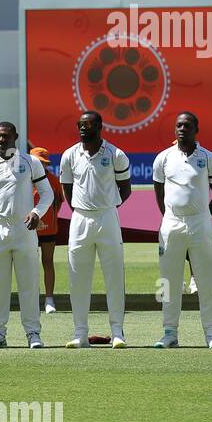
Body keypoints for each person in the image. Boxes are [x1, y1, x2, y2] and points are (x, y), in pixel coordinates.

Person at [0, 121, 52, 348]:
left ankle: (33, 333)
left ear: (15, 137)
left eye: (5, 136)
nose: (1, 140)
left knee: (28, 283)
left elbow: (46, 194)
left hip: (25, 229)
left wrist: (37, 212)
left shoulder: (30, 162)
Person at [152, 112, 212, 349]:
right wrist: (170, 218)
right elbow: (159, 193)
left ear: (196, 129)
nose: (182, 129)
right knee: (167, 282)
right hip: (171, 224)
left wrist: (204, 216)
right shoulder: (163, 158)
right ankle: (169, 332)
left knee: (206, 280)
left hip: (200, 224)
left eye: (187, 125)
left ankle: (211, 333)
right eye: (178, 125)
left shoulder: (209, 158)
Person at [60, 111, 132, 348]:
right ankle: (80, 333)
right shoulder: (70, 155)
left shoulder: (115, 154)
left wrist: (106, 206)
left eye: (88, 124)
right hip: (79, 218)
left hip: (107, 217)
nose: (83, 128)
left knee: (113, 277)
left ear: (99, 126)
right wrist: (80, 208)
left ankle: (117, 332)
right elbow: (67, 189)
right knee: (78, 278)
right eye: (80, 124)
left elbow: (125, 189)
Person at [29, 146, 65, 313]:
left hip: (49, 229)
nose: (40, 165)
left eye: (43, 163)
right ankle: (30, 298)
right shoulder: (23, 178)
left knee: (47, 261)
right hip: (27, 229)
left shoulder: (53, 179)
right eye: (37, 162)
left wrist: (49, 218)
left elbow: (59, 201)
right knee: (27, 264)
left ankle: (49, 299)